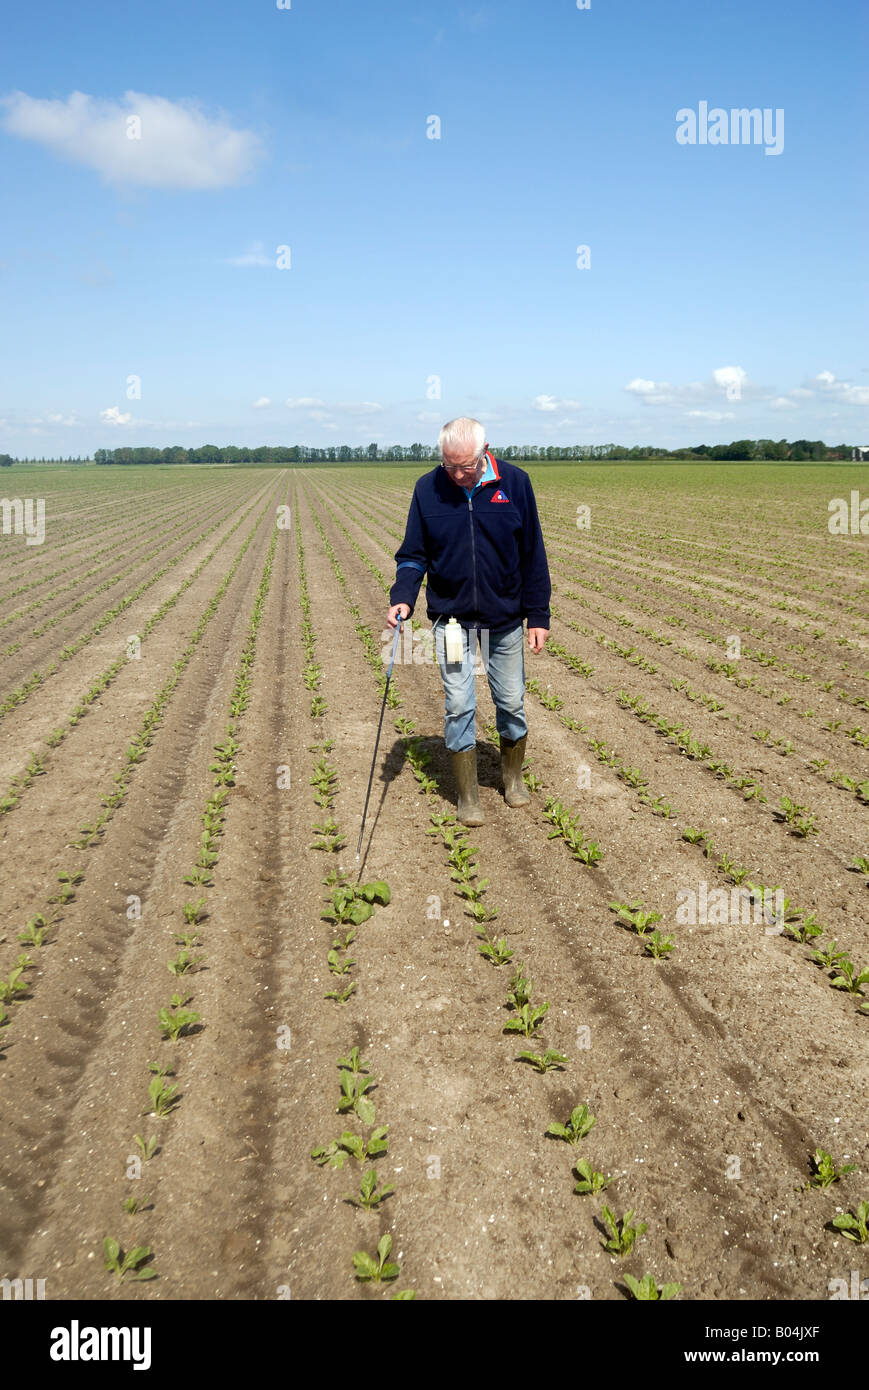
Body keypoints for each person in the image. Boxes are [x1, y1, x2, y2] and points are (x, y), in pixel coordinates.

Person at [386, 416, 551, 825]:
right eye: (449, 466)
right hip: (453, 620)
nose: (458, 475)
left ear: (485, 452)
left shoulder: (515, 484)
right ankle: (468, 795)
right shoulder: (428, 489)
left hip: (506, 618)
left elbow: (533, 553)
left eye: (466, 466)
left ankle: (512, 780)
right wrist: (403, 597)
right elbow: (413, 554)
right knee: (459, 703)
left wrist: (538, 615)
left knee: (511, 701)